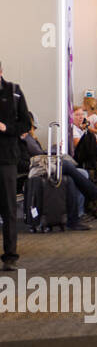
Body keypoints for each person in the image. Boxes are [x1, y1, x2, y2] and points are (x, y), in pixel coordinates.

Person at [0, 62, 31, 270]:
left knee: (9, 209)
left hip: (6, 158)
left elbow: (26, 124)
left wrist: (6, 127)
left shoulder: (14, 91)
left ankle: (10, 256)